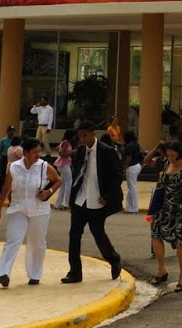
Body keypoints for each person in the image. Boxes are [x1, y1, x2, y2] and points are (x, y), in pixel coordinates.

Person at [0, 136, 60, 287]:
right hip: (18, 208)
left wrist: (48, 191)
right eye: (35, 152)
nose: (38, 155)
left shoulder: (44, 166)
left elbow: (58, 180)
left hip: (39, 210)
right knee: (13, 240)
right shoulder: (14, 167)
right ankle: (3, 272)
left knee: (37, 243)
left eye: (39, 152)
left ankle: (35, 274)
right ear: (26, 153)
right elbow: (6, 188)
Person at [64, 120, 124, 284]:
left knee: (98, 234)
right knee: (74, 235)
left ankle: (114, 259)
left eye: (85, 136)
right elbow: (76, 176)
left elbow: (118, 175)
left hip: (97, 201)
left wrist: (108, 196)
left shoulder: (107, 151)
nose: (82, 139)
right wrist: (71, 200)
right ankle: (75, 272)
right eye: (80, 137)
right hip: (80, 200)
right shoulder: (80, 152)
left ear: (93, 134)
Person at [150, 140, 182, 292]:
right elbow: (161, 184)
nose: (170, 156)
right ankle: (162, 270)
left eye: (173, 154)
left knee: (181, 240)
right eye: (168, 153)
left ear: (179, 152)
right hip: (164, 207)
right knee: (156, 234)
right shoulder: (167, 163)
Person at [121, 130, 144, 214]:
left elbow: (128, 158)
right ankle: (129, 207)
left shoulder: (129, 146)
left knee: (132, 188)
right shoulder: (136, 145)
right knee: (131, 187)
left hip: (131, 167)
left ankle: (134, 208)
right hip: (137, 165)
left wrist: (124, 168)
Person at [53, 130, 75, 210]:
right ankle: (66, 202)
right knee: (69, 183)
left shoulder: (63, 142)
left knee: (63, 184)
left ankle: (58, 204)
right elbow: (62, 154)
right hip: (64, 164)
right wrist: (72, 152)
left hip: (61, 164)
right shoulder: (66, 143)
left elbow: (57, 149)